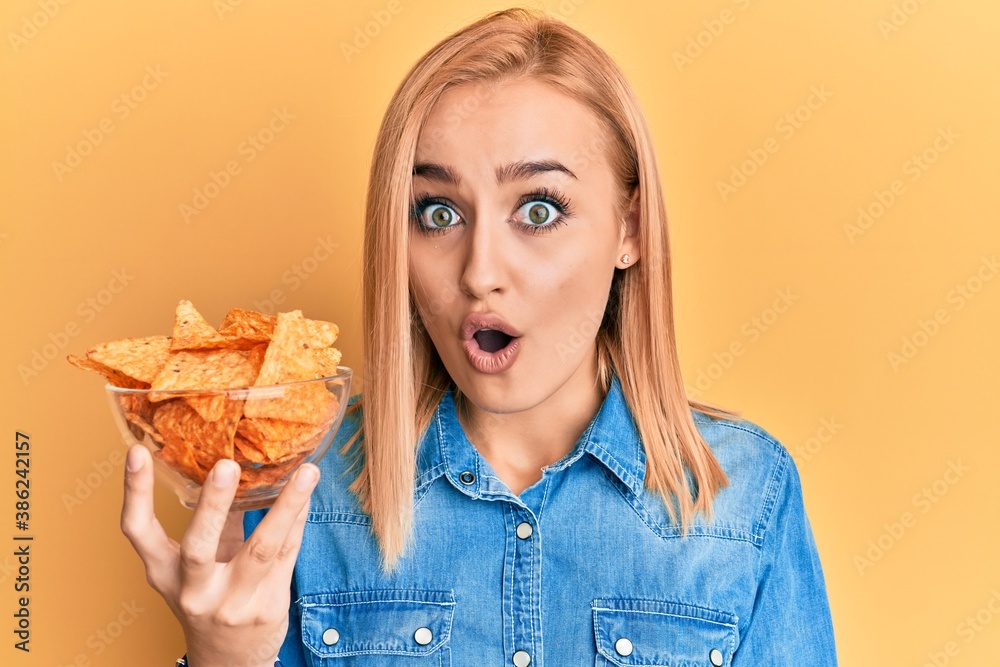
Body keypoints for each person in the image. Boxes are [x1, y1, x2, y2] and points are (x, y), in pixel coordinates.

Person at [121, 8, 838, 666]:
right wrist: (222, 656)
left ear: (631, 229)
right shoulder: (306, 492)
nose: (480, 272)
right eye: (438, 213)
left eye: (537, 208)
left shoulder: (748, 496)